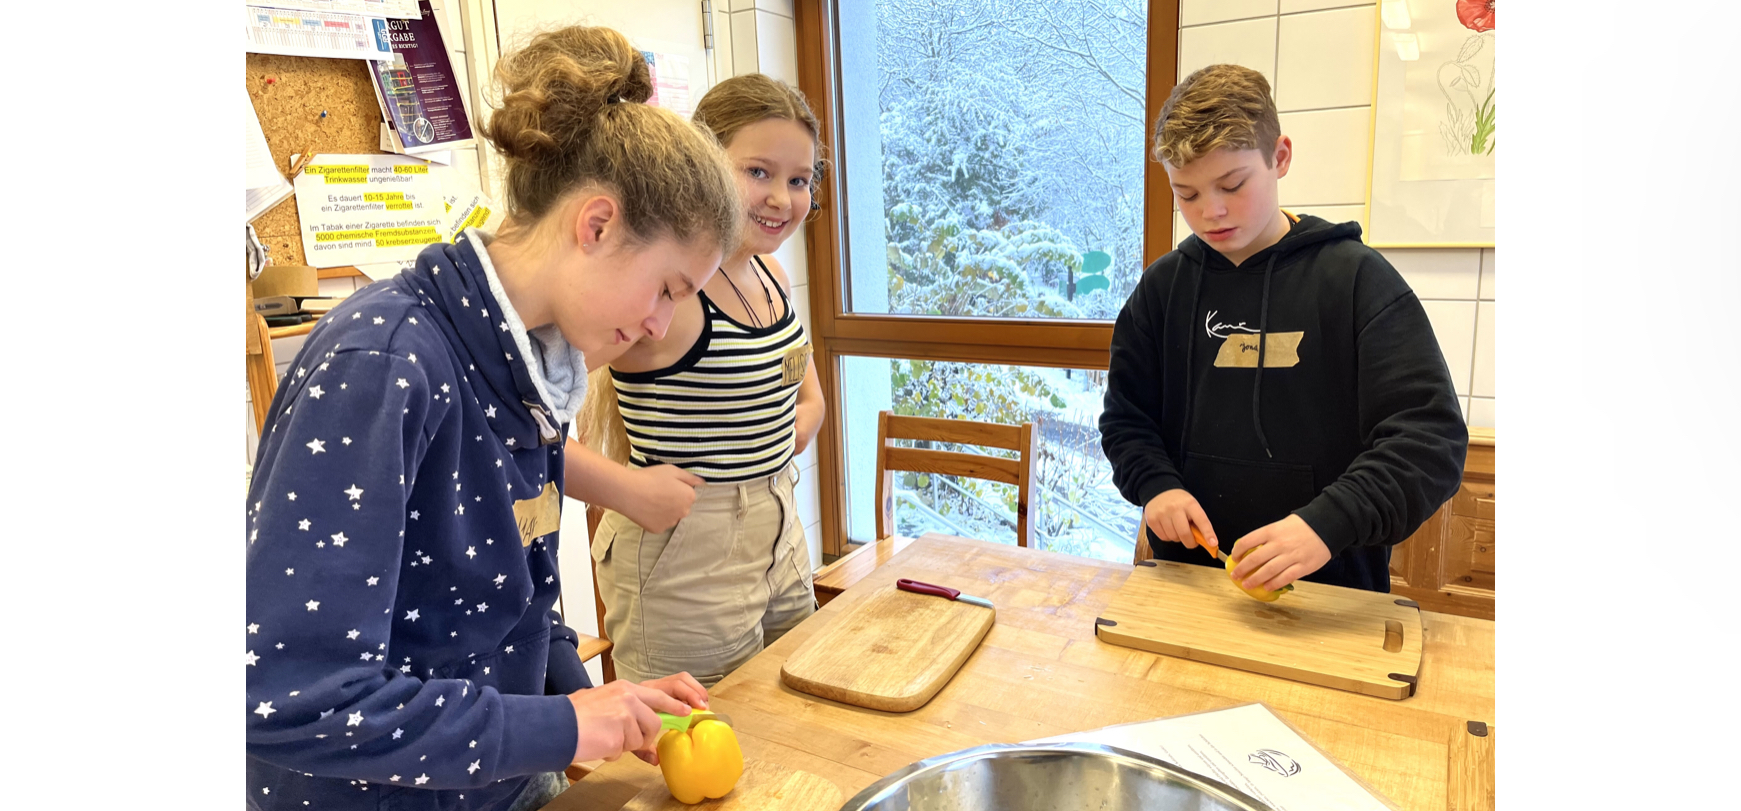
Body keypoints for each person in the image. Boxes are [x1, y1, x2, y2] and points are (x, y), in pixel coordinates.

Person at [244, 25, 743, 811]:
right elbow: (286, 695)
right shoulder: (382, 365)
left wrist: (610, 713)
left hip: (496, 788)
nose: (659, 325)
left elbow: (518, 609)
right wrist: (564, 727)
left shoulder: (530, 369)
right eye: (669, 288)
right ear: (597, 225)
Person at [1100, 64, 1467, 594]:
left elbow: (1429, 442)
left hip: (1332, 596)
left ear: (1280, 158)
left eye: (1232, 184)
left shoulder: (1357, 281)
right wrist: (1155, 486)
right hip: (1189, 589)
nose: (1211, 212)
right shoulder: (1162, 289)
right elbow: (1126, 420)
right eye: (1187, 194)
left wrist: (1326, 524)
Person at [576, 73, 825, 687]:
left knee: (795, 720)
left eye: (799, 181)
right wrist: (625, 491)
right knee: (694, 756)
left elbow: (807, 391)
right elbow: (509, 424)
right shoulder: (666, 289)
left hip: (779, 530)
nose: (781, 199)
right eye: (758, 172)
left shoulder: (773, 276)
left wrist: (793, 426)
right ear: (703, 164)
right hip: (685, 554)